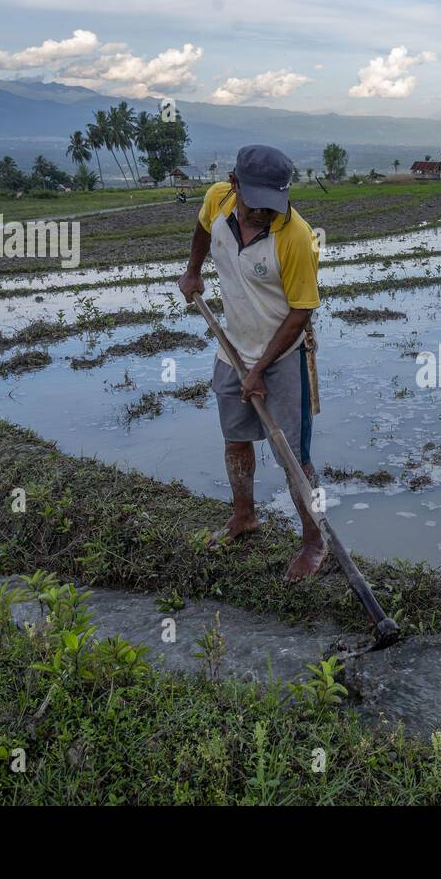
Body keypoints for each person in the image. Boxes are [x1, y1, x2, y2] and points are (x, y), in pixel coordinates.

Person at [177, 144, 326, 583]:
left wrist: (261, 369)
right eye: (256, 203)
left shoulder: (296, 236)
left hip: (284, 354)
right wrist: (193, 270)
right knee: (235, 438)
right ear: (235, 184)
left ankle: (315, 542)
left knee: (293, 457)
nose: (263, 213)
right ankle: (244, 518)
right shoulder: (216, 200)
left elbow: (301, 311)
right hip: (232, 347)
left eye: (272, 204)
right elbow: (203, 229)